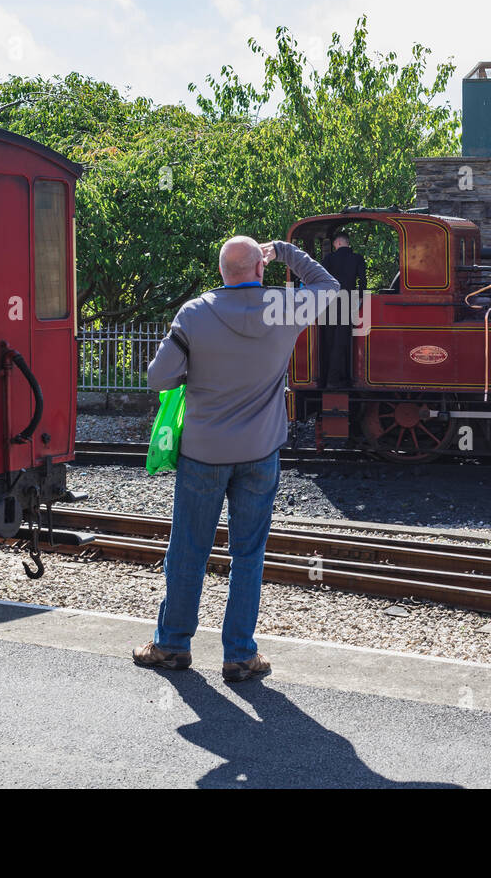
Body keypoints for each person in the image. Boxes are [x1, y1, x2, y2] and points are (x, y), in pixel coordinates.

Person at [133, 236, 337, 682]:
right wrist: (284, 250)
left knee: (188, 550)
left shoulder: (195, 312)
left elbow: (159, 378)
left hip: (203, 454)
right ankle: (240, 655)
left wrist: (199, 369)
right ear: (260, 270)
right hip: (259, 454)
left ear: (223, 272)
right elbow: (329, 286)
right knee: (248, 554)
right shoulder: (284, 309)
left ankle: (171, 646)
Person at [318, 232, 367, 389]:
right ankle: (336, 379)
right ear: (347, 242)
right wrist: (359, 298)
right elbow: (363, 281)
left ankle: (328, 378)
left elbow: (320, 279)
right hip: (348, 301)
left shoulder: (329, 259)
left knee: (330, 341)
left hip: (330, 302)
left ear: (337, 243)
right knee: (342, 342)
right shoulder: (357, 258)